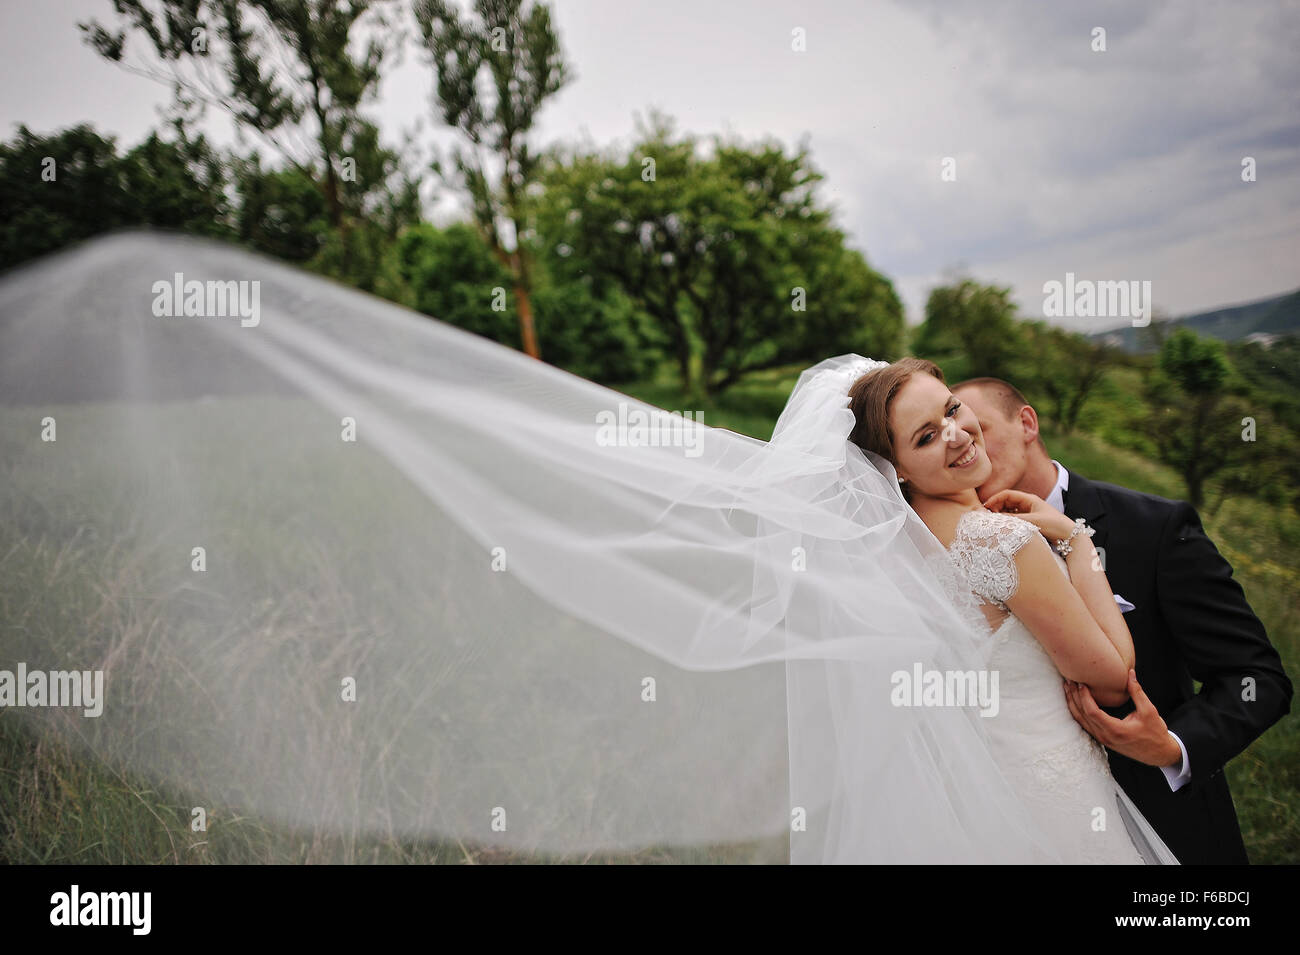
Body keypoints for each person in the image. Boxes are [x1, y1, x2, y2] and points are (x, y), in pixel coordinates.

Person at [951, 376, 1293, 864]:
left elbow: (1257, 677)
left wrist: (1174, 746)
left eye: (980, 430)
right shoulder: (948, 549)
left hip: (1162, 817)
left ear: (1026, 422)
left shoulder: (1153, 527)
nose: (969, 450)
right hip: (1022, 821)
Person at [846, 358, 1177, 863]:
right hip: (1049, 797)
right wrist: (1074, 538)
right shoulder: (1003, 541)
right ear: (897, 472)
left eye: (953, 410)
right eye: (926, 437)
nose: (958, 435)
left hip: (970, 799)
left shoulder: (895, 552)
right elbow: (1114, 679)